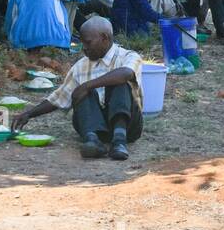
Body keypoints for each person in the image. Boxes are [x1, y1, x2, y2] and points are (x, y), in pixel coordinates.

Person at [12, 17, 144, 160]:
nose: (84, 48)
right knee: (80, 92)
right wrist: (29, 114)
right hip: (96, 127)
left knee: (119, 83)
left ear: (104, 38)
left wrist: (88, 85)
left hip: (129, 125)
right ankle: (93, 141)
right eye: (82, 43)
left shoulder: (128, 56)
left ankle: (119, 141)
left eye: (88, 42)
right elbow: (59, 98)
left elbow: (126, 74)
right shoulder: (80, 66)